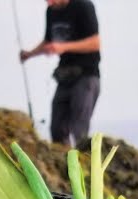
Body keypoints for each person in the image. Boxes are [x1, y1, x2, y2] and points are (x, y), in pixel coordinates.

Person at [19, 0, 101, 148]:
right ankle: (65, 163)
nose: (49, 3)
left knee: (79, 130)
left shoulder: (83, 6)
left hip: (86, 76)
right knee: (57, 129)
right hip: (64, 77)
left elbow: (95, 43)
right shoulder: (51, 11)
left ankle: (83, 164)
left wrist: (64, 47)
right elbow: (48, 42)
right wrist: (29, 54)